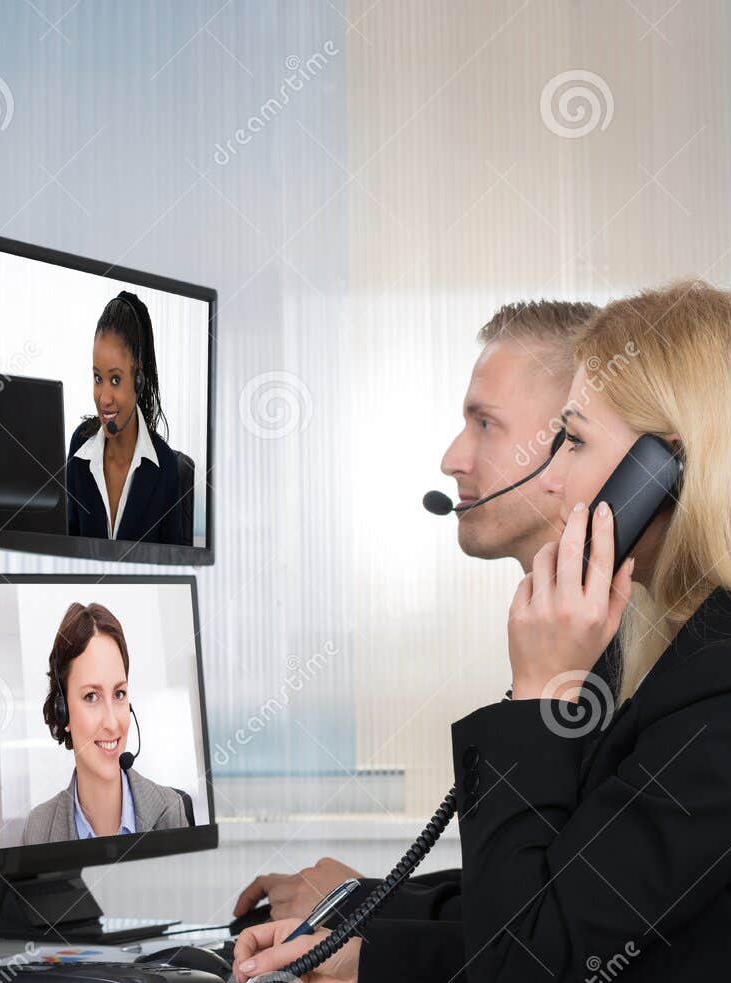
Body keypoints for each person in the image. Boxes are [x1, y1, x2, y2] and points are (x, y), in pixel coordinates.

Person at [235, 281, 731, 983]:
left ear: (668, 470)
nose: (553, 478)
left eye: (574, 441)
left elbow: (526, 958)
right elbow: (570, 909)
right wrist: (369, 948)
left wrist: (537, 692)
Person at [233, 300, 599, 922]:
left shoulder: (633, 662)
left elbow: (540, 938)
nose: (453, 458)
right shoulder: (578, 639)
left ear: (567, 446)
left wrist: (358, 913)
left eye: (485, 424)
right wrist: (360, 902)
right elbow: (525, 893)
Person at [21, 601, 193, 844]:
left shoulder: (172, 812)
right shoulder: (38, 830)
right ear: (63, 711)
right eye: (91, 696)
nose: (112, 723)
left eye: (119, 694)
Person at [64, 291, 194, 545]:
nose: (104, 398)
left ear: (138, 380)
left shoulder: (166, 468)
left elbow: (174, 564)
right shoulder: (80, 447)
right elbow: (67, 544)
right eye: (98, 378)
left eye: (115, 380)